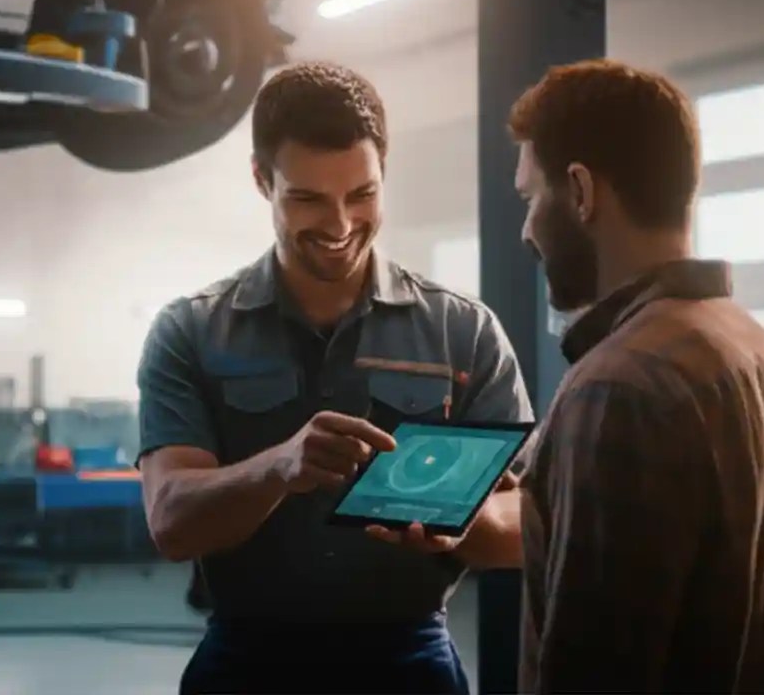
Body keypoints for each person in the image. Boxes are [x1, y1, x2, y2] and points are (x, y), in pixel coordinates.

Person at [135, 61, 533, 695]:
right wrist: (278, 468)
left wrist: (462, 522)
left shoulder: (465, 332)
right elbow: (171, 521)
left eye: (363, 195)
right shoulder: (190, 332)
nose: (342, 225)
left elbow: (527, 523)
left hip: (410, 658)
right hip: (247, 659)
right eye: (308, 199)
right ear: (262, 180)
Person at [507, 59, 764, 694]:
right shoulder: (757, 350)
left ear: (582, 192)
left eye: (531, 197)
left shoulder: (616, 388)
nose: (527, 229)